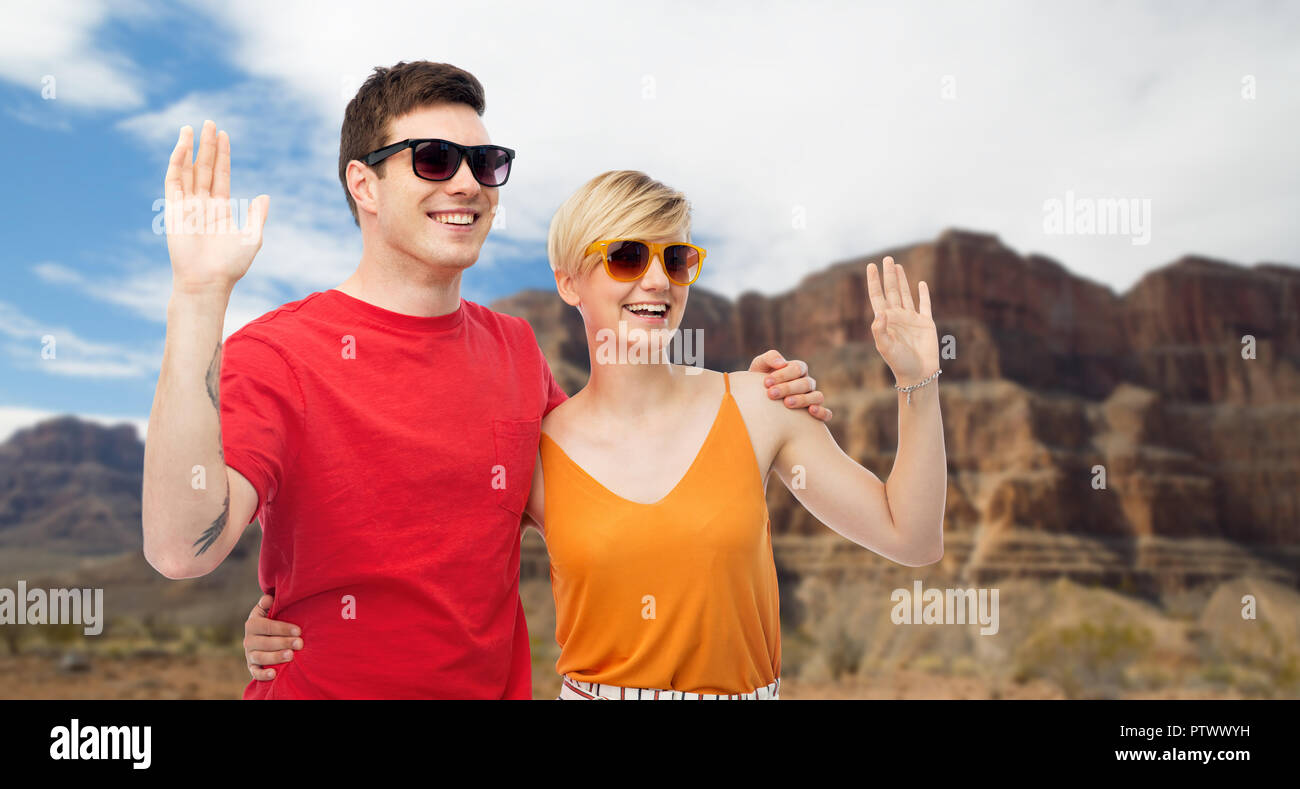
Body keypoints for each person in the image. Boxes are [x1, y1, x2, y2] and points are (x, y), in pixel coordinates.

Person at [141, 62, 828, 699]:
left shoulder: (517, 351)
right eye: (435, 159)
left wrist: (738, 395)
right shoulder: (278, 354)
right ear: (364, 184)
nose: (467, 183)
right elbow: (179, 545)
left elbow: (619, 486)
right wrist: (199, 297)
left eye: (486, 163)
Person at [245, 169, 947, 700]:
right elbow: (413, 570)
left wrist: (918, 382)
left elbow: (910, 537)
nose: (656, 279)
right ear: (569, 281)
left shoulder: (763, 406)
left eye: (676, 260)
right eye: (626, 256)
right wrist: (281, 620)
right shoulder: (533, 450)